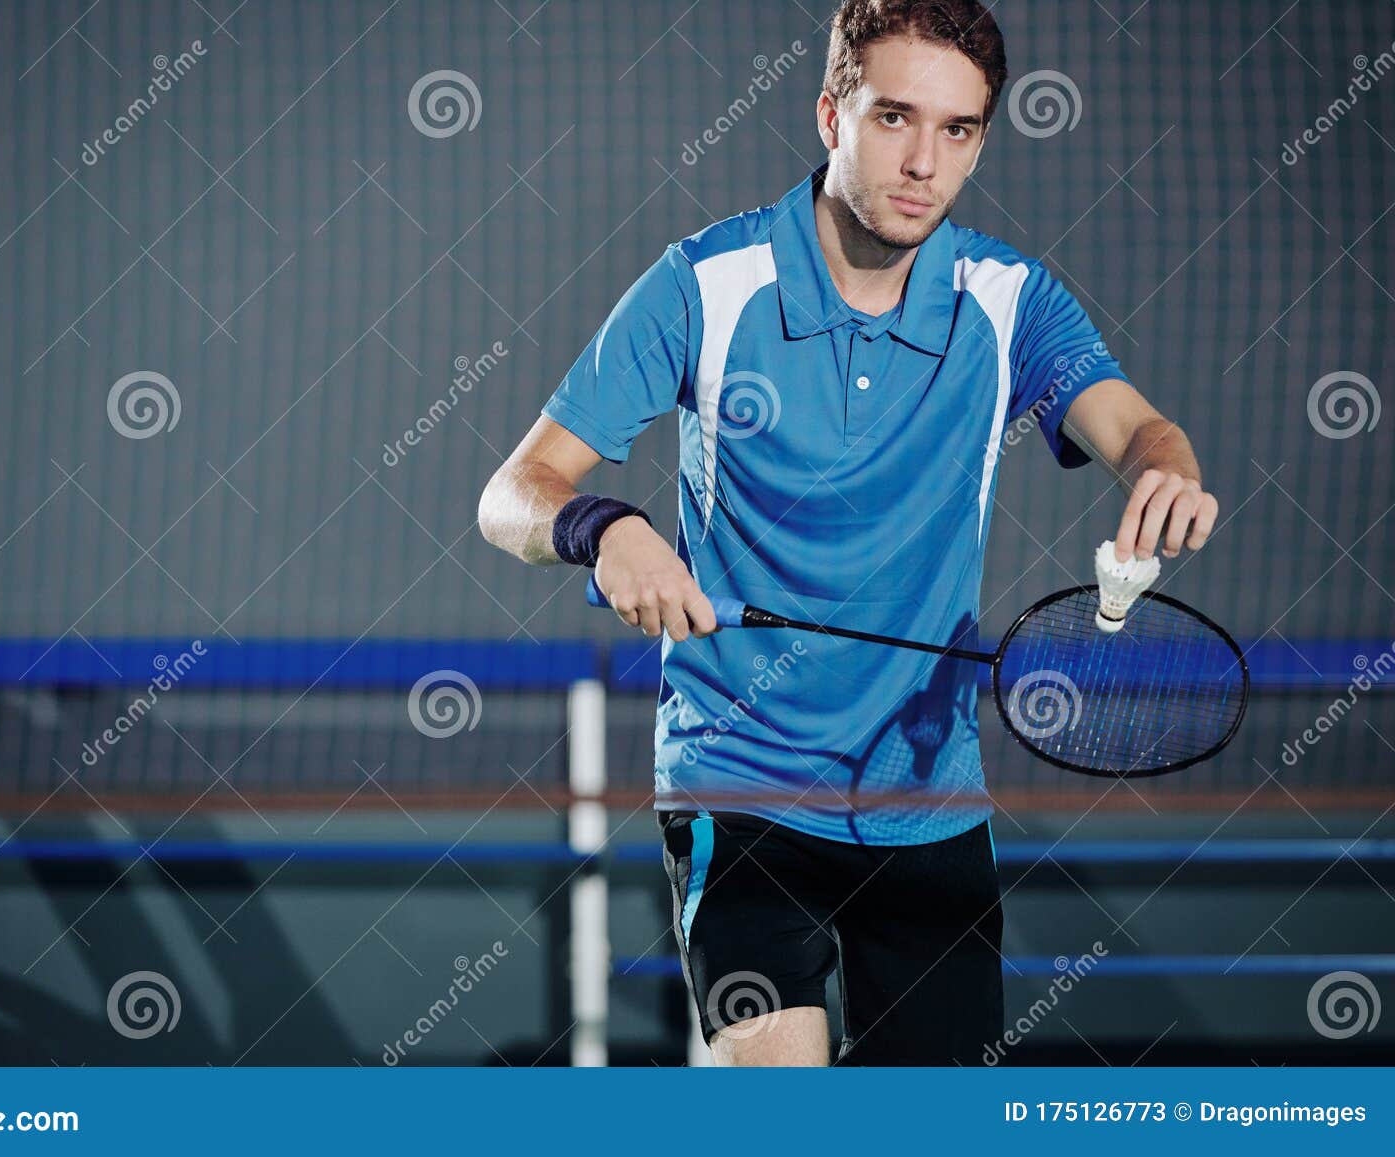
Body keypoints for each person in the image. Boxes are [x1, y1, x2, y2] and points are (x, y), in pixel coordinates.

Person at [478, 0, 1217, 1066]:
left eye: (957, 130)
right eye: (893, 119)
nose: (923, 162)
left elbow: (1138, 427)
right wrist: (605, 525)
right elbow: (513, 492)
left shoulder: (1006, 300)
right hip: (744, 778)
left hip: (927, 792)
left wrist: (1166, 468)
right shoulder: (707, 285)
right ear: (831, 116)